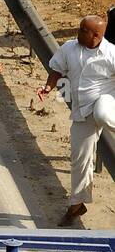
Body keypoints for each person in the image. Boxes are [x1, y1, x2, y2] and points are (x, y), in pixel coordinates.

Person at [40, 15, 115, 225]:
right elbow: (56, 69)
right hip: (82, 112)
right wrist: (48, 87)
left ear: (96, 35)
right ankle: (76, 205)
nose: (78, 32)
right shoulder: (69, 48)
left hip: (106, 102)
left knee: (102, 112)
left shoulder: (111, 54)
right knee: (80, 160)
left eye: (83, 30)